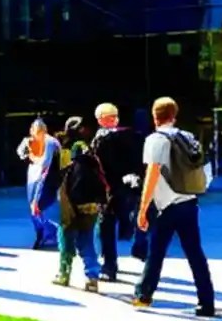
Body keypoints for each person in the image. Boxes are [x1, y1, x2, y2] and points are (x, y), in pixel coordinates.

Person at [133, 97, 215, 317]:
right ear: (174, 115)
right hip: (189, 202)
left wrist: (143, 208)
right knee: (195, 254)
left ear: (154, 116)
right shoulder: (187, 137)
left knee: (156, 252)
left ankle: (143, 295)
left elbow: (152, 174)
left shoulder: (155, 140)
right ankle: (207, 303)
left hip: (166, 206)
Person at [92, 102, 146, 280]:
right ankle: (138, 247)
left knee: (106, 227)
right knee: (132, 218)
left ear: (101, 120)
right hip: (130, 187)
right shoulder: (135, 137)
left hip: (109, 189)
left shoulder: (101, 139)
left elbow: (98, 166)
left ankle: (109, 266)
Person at [54, 138, 107, 292]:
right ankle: (92, 277)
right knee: (88, 244)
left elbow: (66, 193)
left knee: (66, 244)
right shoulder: (95, 168)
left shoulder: (72, 169)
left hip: (71, 215)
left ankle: (64, 274)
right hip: (90, 214)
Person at [18, 119, 61, 249]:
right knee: (33, 211)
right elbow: (20, 153)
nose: (35, 134)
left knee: (38, 206)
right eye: (33, 131)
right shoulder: (29, 141)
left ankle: (54, 232)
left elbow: (45, 163)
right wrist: (25, 148)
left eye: (39, 131)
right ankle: (43, 234)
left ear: (44, 131)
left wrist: (31, 156)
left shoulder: (51, 142)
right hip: (33, 177)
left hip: (48, 179)